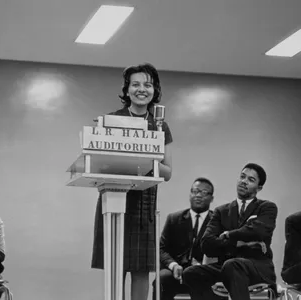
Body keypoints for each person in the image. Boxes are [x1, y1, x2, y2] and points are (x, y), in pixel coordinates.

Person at [91, 63, 173, 300]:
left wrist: (144, 160)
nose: (141, 89)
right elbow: (101, 163)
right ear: (126, 90)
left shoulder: (160, 126)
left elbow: (167, 172)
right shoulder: (112, 120)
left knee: (141, 272)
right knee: (116, 268)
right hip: (115, 201)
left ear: (154, 89)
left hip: (144, 205)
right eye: (135, 84)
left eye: (147, 85)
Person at [182, 163, 278, 300]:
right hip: (226, 265)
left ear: (259, 187)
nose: (244, 181)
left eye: (251, 180)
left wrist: (228, 235)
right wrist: (240, 242)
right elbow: (206, 244)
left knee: (233, 265)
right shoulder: (221, 211)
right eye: (242, 177)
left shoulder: (267, 207)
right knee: (191, 273)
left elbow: (259, 231)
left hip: (257, 266)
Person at [153, 177, 214, 300]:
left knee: (212, 282)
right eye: (195, 191)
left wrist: (203, 266)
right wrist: (174, 265)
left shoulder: (217, 221)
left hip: (203, 273)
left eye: (204, 192)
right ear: (190, 194)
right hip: (176, 272)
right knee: (162, 279)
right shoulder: (174, 219)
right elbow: (161, 249)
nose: (198, 195)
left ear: (211, 198)